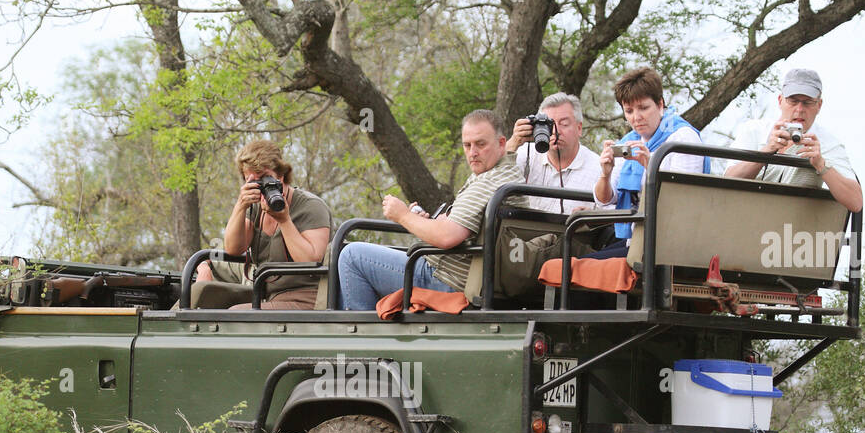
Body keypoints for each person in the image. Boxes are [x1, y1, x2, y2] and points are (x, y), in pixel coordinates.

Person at [337, 109, 527, 310]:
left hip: (446, 280)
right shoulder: (503, 175)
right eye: (467, 145)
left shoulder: (491, 181)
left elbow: (447, 236)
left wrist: (402, 215)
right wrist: (418, 220)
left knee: (351, 256)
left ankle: (363, 338)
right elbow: (455, 226)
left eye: (481, 144)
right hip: (463, 274)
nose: (473, 152)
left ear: (501, 143)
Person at [586, 67, 709, 260]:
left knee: (578, 268)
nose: (636, 117)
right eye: (629, 111)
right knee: (570, 264)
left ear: (660, 105)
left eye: (643, 108)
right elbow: (605, 201)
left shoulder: (683, 137)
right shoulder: (630, 140)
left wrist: (650, 165)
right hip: (637, 239)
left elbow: (683, 200)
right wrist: (605, 173)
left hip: (670, 246)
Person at [193, 139, 331, 310]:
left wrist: (284, 220)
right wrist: (241, 205)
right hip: (268, 296)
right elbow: (233, 249)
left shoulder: (311, 206)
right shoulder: (256, 207)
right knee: (204, 305)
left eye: (265, 179)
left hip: (308, 298)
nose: (261, 187)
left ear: (281, 176)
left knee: (235, 316)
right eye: (252, 181)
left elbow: (310, 261)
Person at [724, 68, 862, 213]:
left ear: (819, 105)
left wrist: (821, 165)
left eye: (808, 102)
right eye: (793, 101)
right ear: (780, 101)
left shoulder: (827, 143)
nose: (800, 109)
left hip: (792, 232)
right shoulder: (753, 130)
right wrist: (765, 153)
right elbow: (727, 183)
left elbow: (856, 202)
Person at [506, 93, 606, 214]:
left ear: (579, 128)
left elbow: (612, 213)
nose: (555, 131)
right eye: (548, 125)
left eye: (564, 124)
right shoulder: (523, 153)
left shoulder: (598, 169)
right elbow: (491, 180)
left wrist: (594, 216)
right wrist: (513, 143)